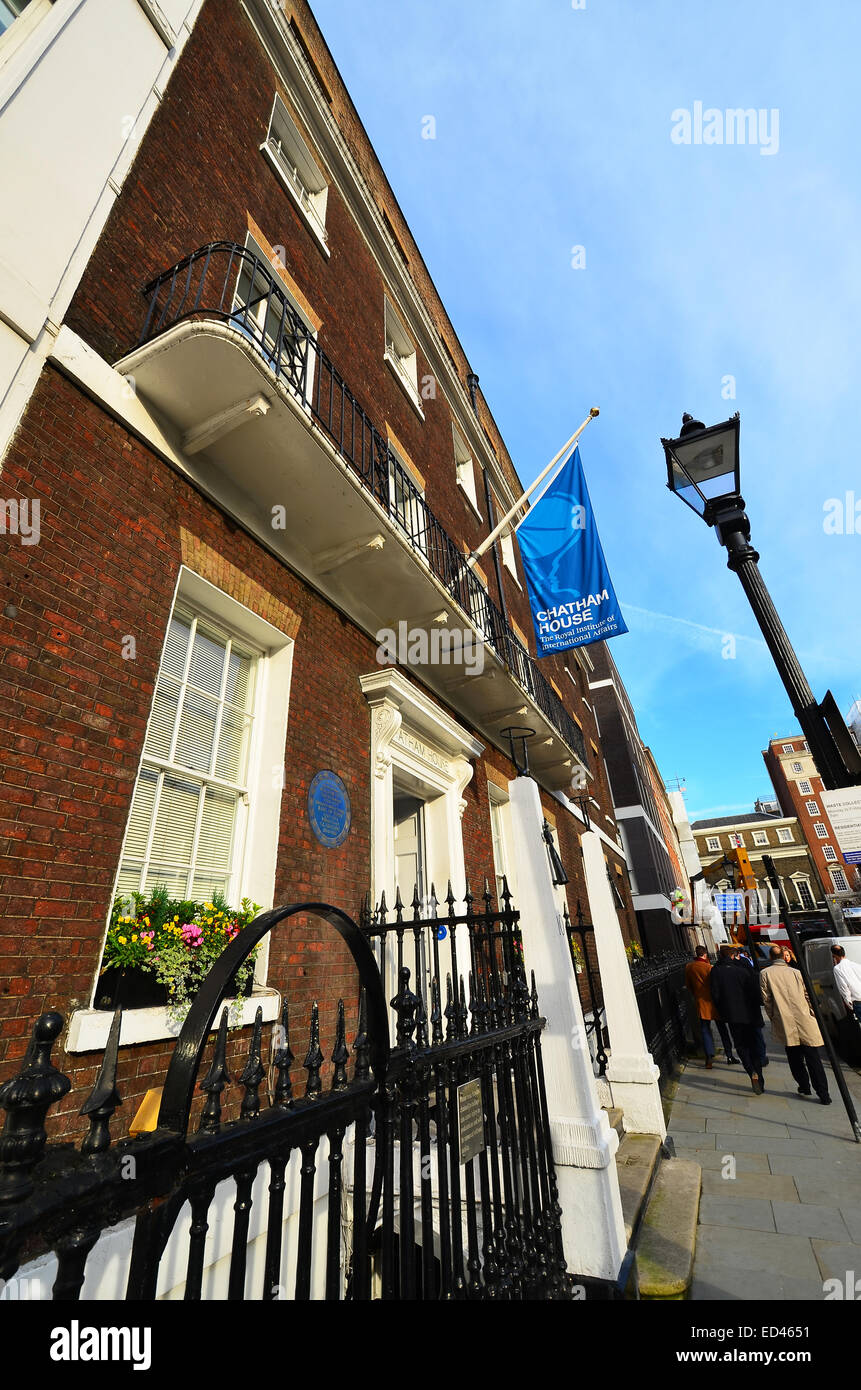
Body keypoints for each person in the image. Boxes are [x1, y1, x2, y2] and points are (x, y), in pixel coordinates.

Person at [760, 943, 831, 1105]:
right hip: (804, 1018)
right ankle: (823, 1093)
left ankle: (804, 1085)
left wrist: (773, 1017)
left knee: (794, 1057)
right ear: (783, 957)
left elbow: (767, 1000)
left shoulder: (765, 974)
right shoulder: (796, 972)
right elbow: (808, 995)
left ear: (770, 957)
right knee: (813, 1057)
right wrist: (812, 1012)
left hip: (784, 1020)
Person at [710, 944, 767, 1093]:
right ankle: (758, 1075)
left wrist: (723, 1009)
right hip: (749, 1014)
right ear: (732, 956)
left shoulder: (716, 971)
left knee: (741, 1046)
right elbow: (755, 993)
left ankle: (750, 1071)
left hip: (732, 1015)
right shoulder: (743, 971)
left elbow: (715, 995)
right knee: (753, 1045)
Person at [684, 945, 740, 1068]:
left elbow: (688, 985)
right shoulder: (710, 968)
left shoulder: (689, 967)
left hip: (700, 1001)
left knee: (705, 1029)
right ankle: (729, 1055)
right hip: (714, 1002)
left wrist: (696, 994)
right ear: (705, 955)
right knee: (723, 1030)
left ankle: (709, 1056)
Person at [830, 943, 861, 1022]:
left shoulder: (837, 969)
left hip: (858, 1001)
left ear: (834, 956)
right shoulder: (856, 965)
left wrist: (849, 1004)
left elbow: (843, 987)